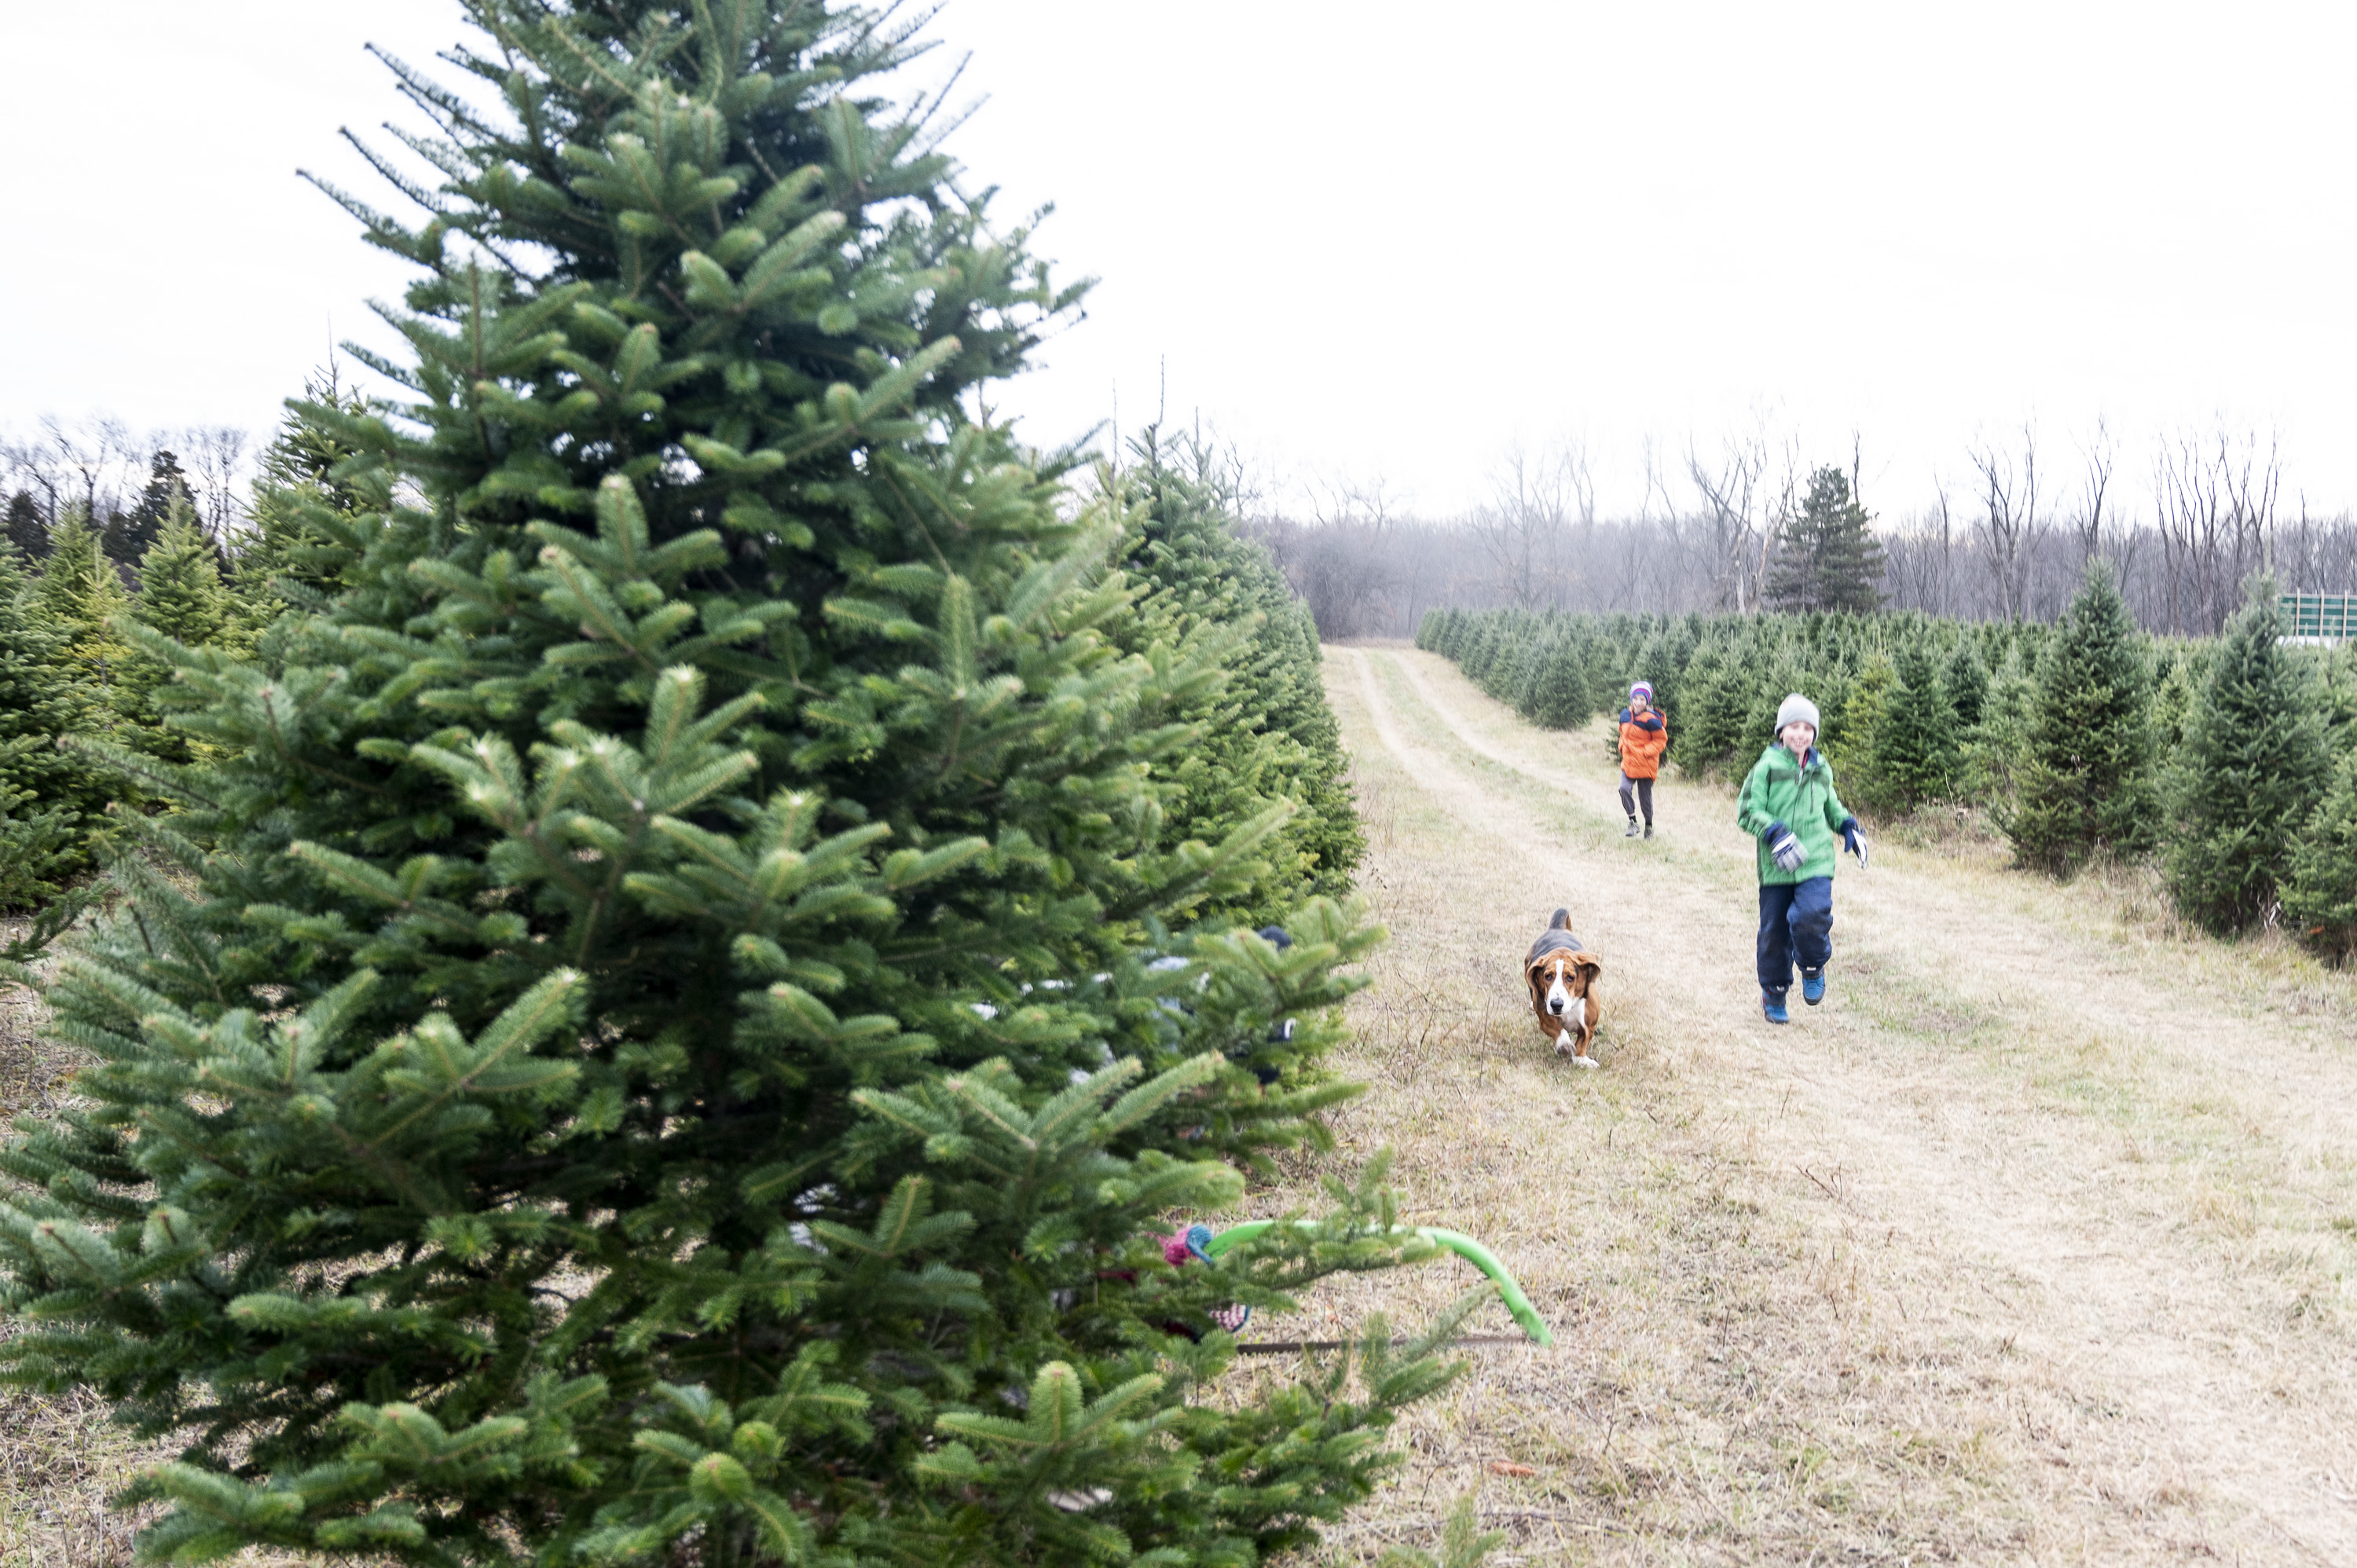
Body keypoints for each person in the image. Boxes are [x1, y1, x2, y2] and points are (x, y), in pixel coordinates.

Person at [1734, 694, 1867, 1024]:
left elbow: (1831, 804)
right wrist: (1774, 832)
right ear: (1781, 731)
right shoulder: (1767, 766)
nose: (1801, 734)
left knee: (1812, 914)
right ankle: (1775, 992)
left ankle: (1812, 965)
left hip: (1816, 859)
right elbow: (1747, 810)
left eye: (1808, 728)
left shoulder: (1821, 768)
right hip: (1776, 865)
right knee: (1774, 932)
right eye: (1794, 726)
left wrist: (1849, 827)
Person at [1616, 683, 1667, 838]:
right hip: (1630, 762)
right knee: (1624, 789)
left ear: (1647, 702)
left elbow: (1661, 741)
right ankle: (1633, 822)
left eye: (1642, 699)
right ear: (1632, 699)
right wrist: (1622, 747)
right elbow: (1623, 735)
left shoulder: (1652, 720)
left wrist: (1645, 752)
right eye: (1636, 698)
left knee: (1645, 797)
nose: (1638, 702)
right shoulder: (1625, 715)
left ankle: (1649, 827)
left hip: (1646, 763)